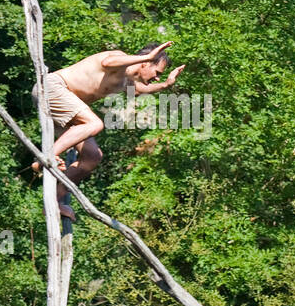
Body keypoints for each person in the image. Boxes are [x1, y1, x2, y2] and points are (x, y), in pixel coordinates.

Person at [31, 42, 185, 219]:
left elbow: (139, 91)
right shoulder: (119, 59)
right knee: (95, 124)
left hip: (65, 105)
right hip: (52, 88)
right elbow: (107, 62)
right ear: (145, 63)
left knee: (92, 157)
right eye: (157, 73)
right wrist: (148, 56)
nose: (157, 78)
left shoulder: (127, 80)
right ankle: (45, 158)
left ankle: (53, 202)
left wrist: (166, 85)